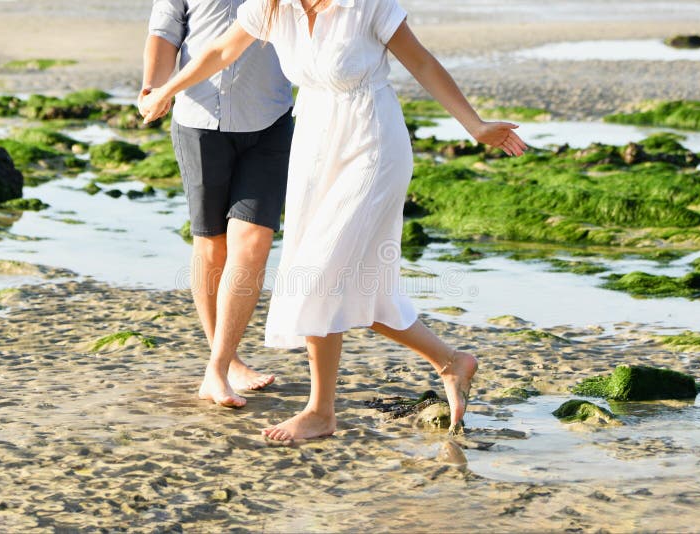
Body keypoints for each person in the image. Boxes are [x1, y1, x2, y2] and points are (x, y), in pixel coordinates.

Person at [140, 0, 528, 441]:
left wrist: (473, 125)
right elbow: (218, 53)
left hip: (371, 143)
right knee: (351, 285)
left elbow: (421, 61)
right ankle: (451, 362)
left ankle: (321, 411)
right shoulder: (271, 8)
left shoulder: (367, 4)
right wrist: (166, 89)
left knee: (321, 276)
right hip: (313, 147)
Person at [140, 0, 295, 408]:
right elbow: (165, 30)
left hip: (272, 118)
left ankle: (218, 365)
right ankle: (227, 360)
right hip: (199, 121)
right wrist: (153, 88)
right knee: (212, 246)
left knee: (254, 242)